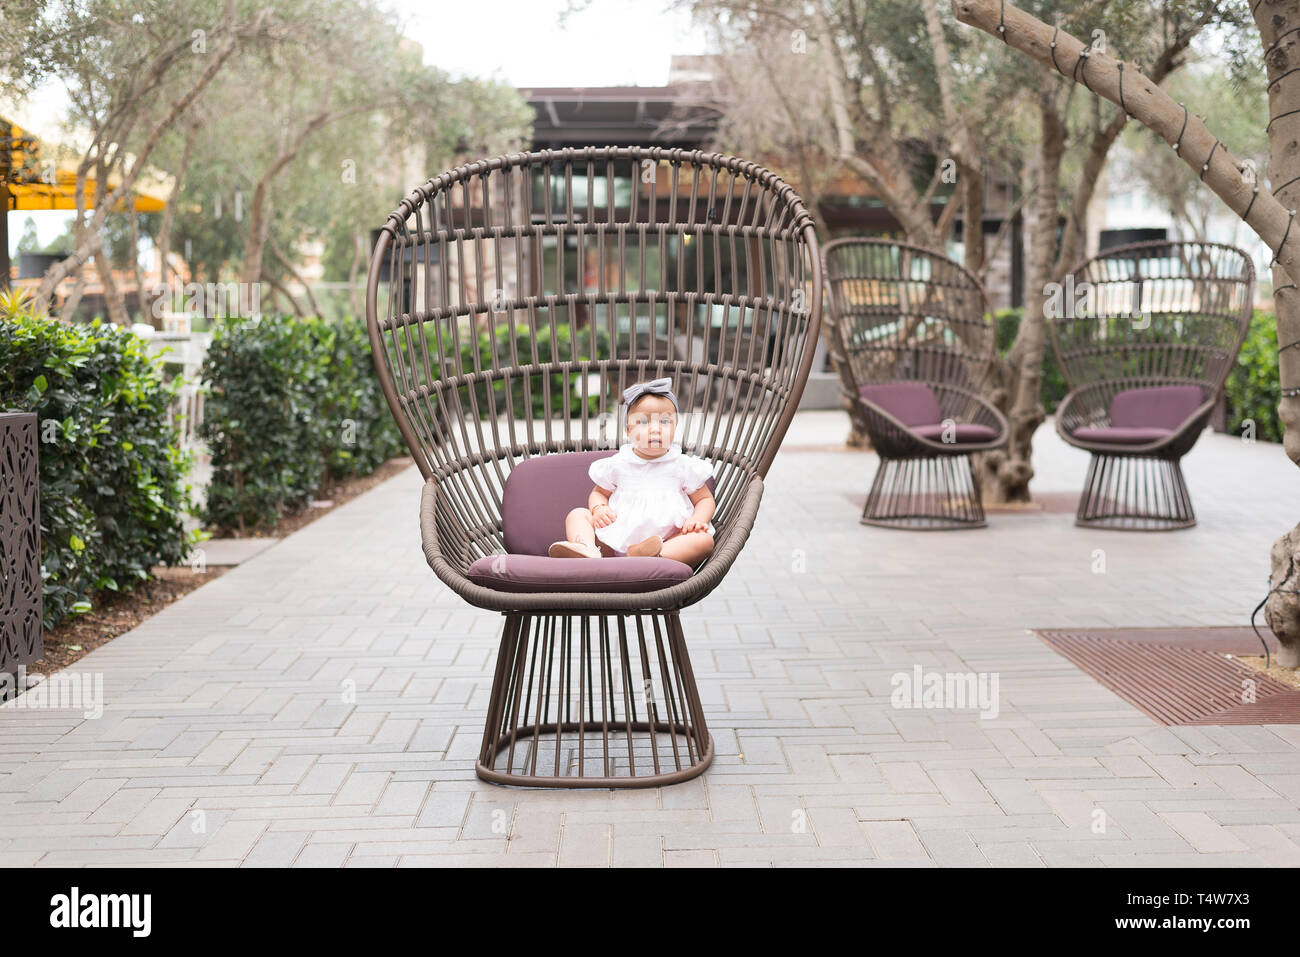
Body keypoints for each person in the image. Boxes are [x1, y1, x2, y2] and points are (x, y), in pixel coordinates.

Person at [548, 377, 716, 566]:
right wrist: (599, 508)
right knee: (577, 514)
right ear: (628, 430)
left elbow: (704, 499)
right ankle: (587, 549)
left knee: (704, 540)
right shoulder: (618, 464)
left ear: (675, 428)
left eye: (664, 422)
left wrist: (698, 520)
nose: (655, 429)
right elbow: (598, 493)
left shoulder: (683, 465)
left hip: (668, 540)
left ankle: (653, 556)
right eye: (643, 422)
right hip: (614, 541)